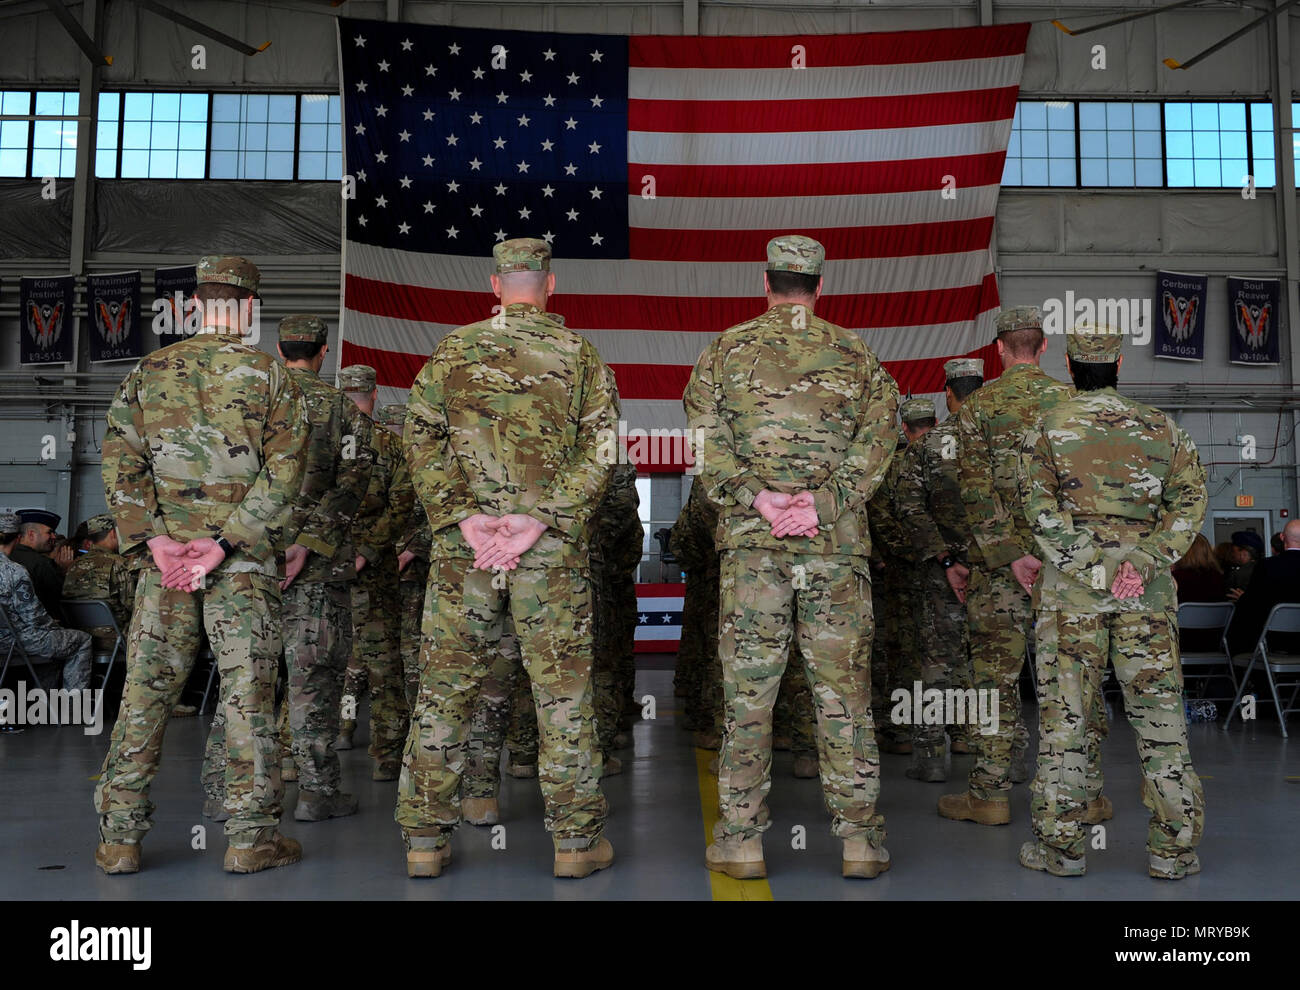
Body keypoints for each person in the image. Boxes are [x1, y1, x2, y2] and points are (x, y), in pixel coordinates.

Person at [398, 237, 618, 879]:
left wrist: (463, 516)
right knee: (562, 697)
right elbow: (602, 450)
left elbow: (420, 438)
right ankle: (575, 845)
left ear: (496, 286)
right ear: (550, 286)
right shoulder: (579, 355)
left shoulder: (451, 352)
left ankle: (425, 844)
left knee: (443, 693)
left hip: (465, 554)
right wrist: (539, 518)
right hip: (546, 553)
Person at [684, 234, 899, 880]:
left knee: (749, 696)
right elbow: (881, 434)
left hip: (755, 552)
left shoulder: (724, 352)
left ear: (767, 283)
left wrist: (760, 499)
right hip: (834, 552)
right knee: (844, 694)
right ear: (819, 287)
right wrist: (825, 503)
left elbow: (702, 437)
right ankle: (860, 842)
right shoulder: (856, 355)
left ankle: (742, 841)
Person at [94, 255, 309, 876]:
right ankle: (249, 840)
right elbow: (286, 475)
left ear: (192, 306)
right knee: (248, 697)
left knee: (145, 694)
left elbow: (120, 464)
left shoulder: (148, 371)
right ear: (248, 309)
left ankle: (120, 839)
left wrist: (155, 541)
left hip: (166, 569)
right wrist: (227, 541)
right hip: (240, 568)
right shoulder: (272, 378)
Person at [1018, 321, 1207, 879]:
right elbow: (1189, 504)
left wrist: (1094, 567)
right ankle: (1173, 852)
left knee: (1066, 721)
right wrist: (1141, 561)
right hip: (1144, 597)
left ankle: (1062, 850)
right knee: (1161, 718)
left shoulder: (1047, 428)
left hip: (1071, 598)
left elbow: (1040, 511)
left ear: (1071, 369)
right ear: (1119, 366)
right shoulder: (1162, 428)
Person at [939, 306, 1110, 829]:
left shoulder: (976, 408)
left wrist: (1009, 553)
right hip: (1064, 567)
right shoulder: (1073, 402)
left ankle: (989, 795)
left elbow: (971, 489)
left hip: (1000, 568)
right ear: (1044, 346)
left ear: (999, 349)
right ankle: (1083, 794)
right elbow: (1090, 494)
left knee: (994, 681)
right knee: (1076, 676)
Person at [206, 315, 375, 824]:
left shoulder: (249, 398)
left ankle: (223, 792)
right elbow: (353, 485)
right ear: (324, 352)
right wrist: (309, 543)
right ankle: (316, 794)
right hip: (319, 572)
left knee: (242, 680)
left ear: (280, 349)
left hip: (246, 562)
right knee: (312, 684)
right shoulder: (344, 412)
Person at [893, 359, 983, 781]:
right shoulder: (1005, 438)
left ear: (948, 394)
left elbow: (908, 507)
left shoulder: (927, 447)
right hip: (1001, 571)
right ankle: (1000, 755)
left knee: (935, 661)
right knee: (996, 661)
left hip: (942, 571)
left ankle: (930, 756)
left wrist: (946, 559)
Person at [336, 365, 409, 780]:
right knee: (382, 666)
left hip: (320, 568)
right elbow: (402, 506)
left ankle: (297, 757)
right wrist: (366, 550)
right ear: (374, 394)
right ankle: (386, 756)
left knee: (314, 663)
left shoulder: (317, 439)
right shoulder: (389, 446)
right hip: (376, 570)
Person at [0, 510, 92, 693]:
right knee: (81, 640)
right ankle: (71, 707)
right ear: (18, 538)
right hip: (18, 640)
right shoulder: (15, 571)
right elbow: (33, 616)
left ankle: (40, 701)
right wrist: (54, 626)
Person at [63, 512, 138, 648]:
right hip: (113, 638)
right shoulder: (119, 564)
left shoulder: (74, 565)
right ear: (113, 534)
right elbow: (133, 606)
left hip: (79, 636)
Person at [1226, 519, 1300, 656]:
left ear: (1282, 537)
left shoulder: (1267, 566)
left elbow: (1254, 601)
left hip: (1273, 638)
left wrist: (1243, 598)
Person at [10, 509, 71, 619]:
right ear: (31, 535)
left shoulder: (8, 556)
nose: (53, 537)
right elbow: (62, 596)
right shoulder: (40, 563)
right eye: (49, 532)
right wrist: (64, 571)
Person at [1171, 533, 1226, 604]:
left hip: (1184, 614)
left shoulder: (1175, 578)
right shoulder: (1219, 577)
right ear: (1207, 550)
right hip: (1214, 615)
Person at [1224, 531, 1262, 600]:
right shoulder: (1265, 568)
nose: (1232, 555)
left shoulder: (1237, 574)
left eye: (1233, 551)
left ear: (1243, 554)